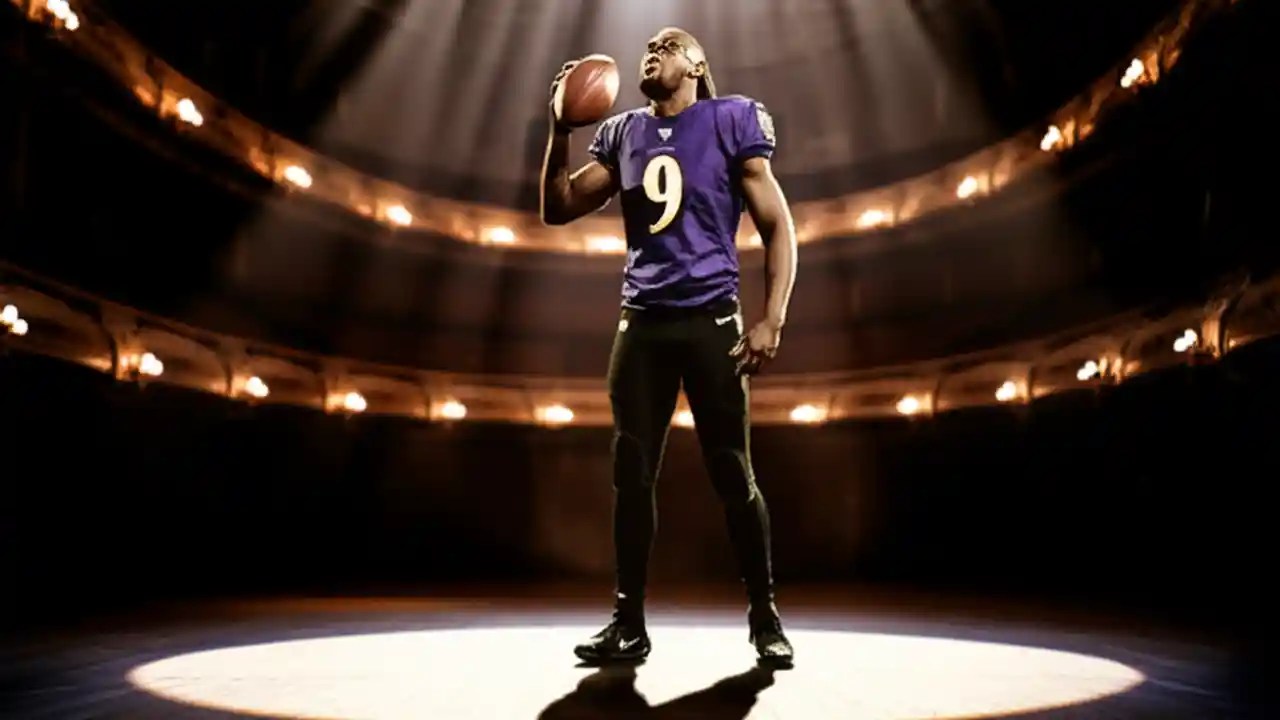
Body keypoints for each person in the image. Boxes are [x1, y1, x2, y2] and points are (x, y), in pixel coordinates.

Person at [540, 26, 797, 668]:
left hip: (712, 319)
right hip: (644, 322)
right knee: (630, 475)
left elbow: (778, 225)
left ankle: (765, 618)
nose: (651, 53)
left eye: (667, 45)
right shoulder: (623, 132)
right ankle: (628, 623)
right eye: (648, 47)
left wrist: (772, 318)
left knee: (732, 472)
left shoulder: (730, 118)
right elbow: (559, 206)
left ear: (697, 64)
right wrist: (558, 130)